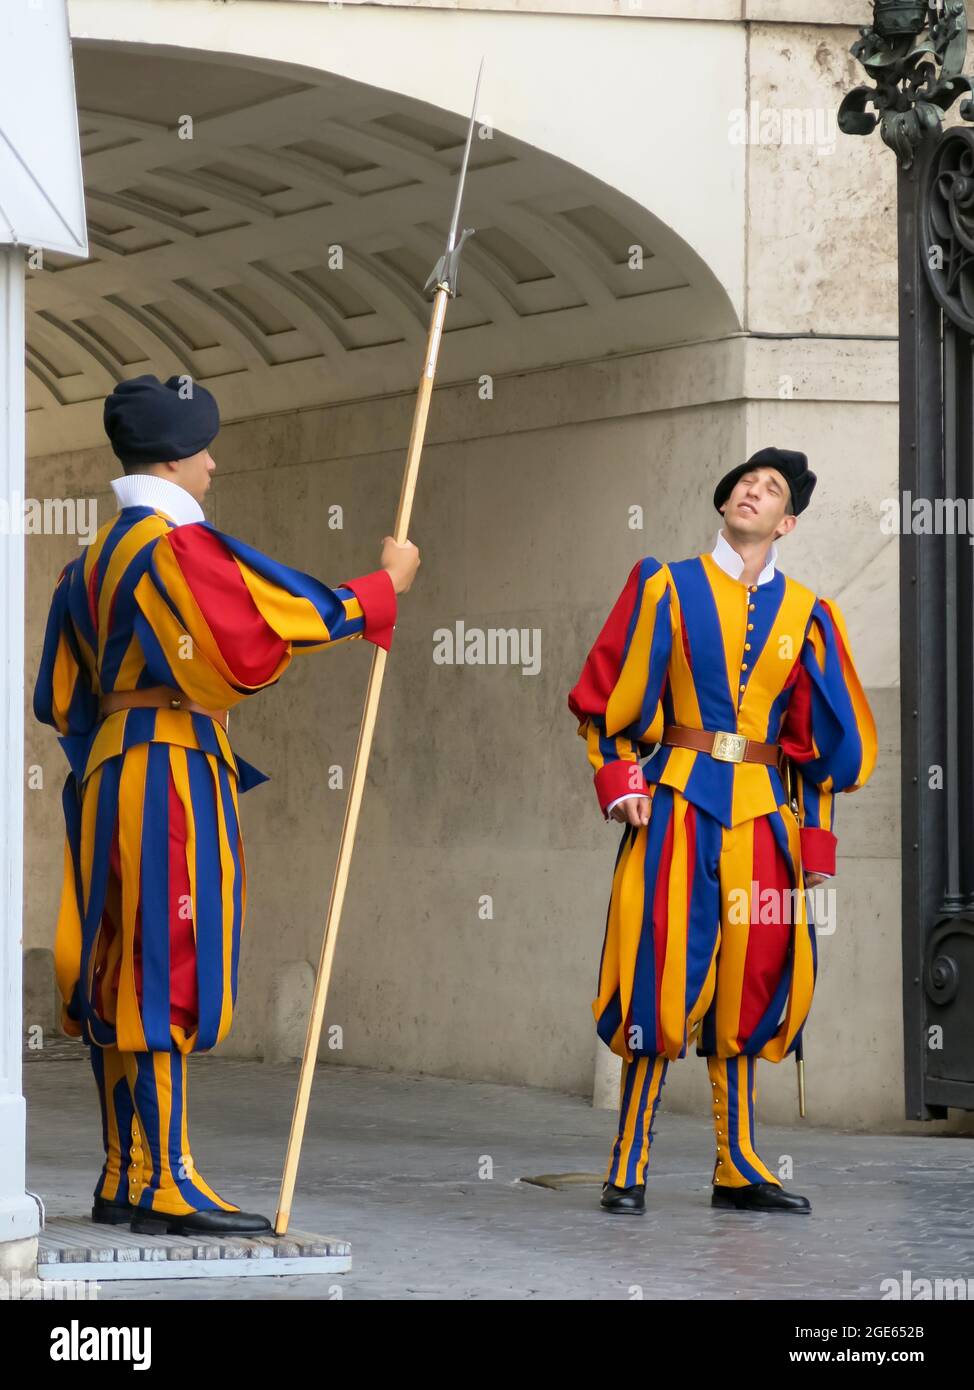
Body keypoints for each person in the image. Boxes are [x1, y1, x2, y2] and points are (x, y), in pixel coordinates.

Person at [33, 374, 421, 1237]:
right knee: (170, 959)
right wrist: (379, 590)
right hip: (168, 767)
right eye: (202, 448)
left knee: (116, 963)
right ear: (172, 458)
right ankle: (167, 1179)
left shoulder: (86, 561)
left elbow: (59, 699)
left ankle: (125, 1174)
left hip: (108, 769)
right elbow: (263, 621)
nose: (212, 463)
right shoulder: (174, 547)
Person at [567, 447, 877, 1215]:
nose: (753, 491)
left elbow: (820, 752)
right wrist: (621, 782)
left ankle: (737, 1165)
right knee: (659, 975)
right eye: (746, 481)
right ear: (725, 502)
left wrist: (815, 847)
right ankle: (628, 1163)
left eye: (770, 489)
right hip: (676, 802)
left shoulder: (809, 616)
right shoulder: (663, 586)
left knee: (752, 981)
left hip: (766, 820)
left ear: (788, 521)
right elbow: (603, 699)